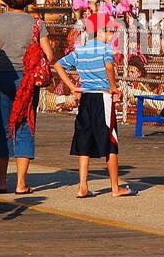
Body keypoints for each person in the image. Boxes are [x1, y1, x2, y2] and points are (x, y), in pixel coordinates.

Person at [0, 0, 55, 194]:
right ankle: (22, 183)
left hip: (3, 77)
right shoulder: (37, 24)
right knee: (25, 125)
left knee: (3, 127)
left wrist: (3, 55)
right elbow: (49, 55)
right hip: (27, 80)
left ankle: (3, 181)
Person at [53, 12, 131, 199]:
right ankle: (114, 187)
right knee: (111, 141)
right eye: (111, 30)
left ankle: (82, 186)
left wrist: (73, 87)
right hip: (102, 98)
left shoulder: (81, 50)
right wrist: (113, 87)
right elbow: (109, 67)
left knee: (84, 140)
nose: (113, 34)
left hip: (86, 98)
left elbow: (58, 65)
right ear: (102, 32)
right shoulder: (105, 49)